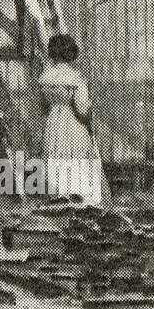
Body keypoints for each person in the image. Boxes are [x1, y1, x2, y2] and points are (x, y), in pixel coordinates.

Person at [38, 33, 108, 206]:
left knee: (55, 157)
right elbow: (82, 107)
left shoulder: (45, 78)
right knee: (75, 159)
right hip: (73, 123)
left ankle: (59, 198)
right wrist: (89, 119)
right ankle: (79, 202)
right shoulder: (76, 78)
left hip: (53, 122)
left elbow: (42, 106)